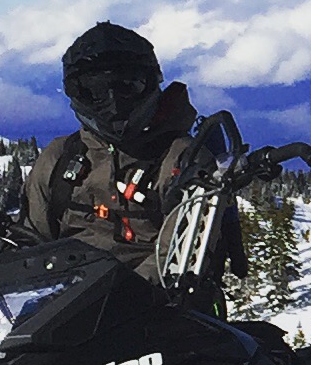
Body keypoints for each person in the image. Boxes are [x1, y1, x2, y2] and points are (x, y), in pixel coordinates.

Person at [22, 22, 238, 282]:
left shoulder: (181, 161)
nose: (114, 102)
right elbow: (30, 243)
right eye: (95, 91)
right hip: (63, 305)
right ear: (76, 92)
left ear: (151, 84)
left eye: (128, 85)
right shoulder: (60, 158)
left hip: (152, 308)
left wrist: (113, 297)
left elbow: (174, 260)